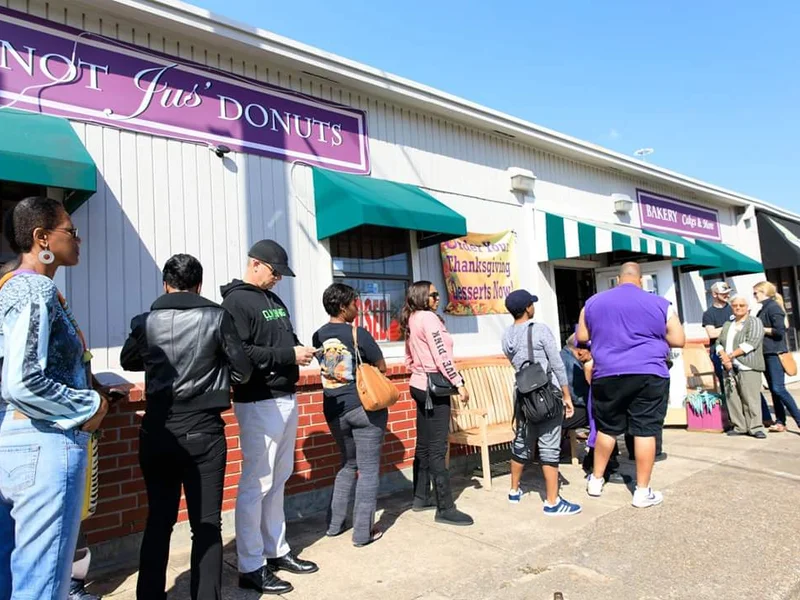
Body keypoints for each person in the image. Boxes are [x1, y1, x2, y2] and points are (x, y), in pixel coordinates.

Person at [120, 254, 253, 600]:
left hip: (157, 430)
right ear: (199, 285)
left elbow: (128, 360)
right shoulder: (217, 317)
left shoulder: (145, 321)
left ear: (166, 284)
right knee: (206, 524)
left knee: (158, 520)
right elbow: (243, 372)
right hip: (203, 431)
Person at [0, 197, 110, 600]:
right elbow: (22, 381)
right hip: (44, 444)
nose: (78, 240)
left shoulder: (10, 288)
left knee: (16, 575)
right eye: (71, 232)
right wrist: (90, 406)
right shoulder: (35, 288)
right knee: (43, 584)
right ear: (41, 237)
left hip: (15, 442)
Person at [221, 240, 318, 596]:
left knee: (279, 479)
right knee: (256, 483)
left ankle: (276, 549)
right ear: (256, 264)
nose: (278, 279)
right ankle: (250, 565)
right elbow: (240, 352)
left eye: (280, 275)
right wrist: (288, 355)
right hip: (258, 401)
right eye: (275, 272)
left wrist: (302, 350)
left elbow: (284, 340)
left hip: (284, 396)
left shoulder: (273, 300)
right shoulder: (235, 302)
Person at [577, 262, 685, 508]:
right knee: (645, 430)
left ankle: (596, 480)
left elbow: (582, 336)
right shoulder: (661, 303)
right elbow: (678, 339)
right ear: (641, 280)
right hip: (649, 371)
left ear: (618, 279)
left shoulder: (593, 303)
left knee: (607, 428)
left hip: (608, 372)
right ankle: (642, 491)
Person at [313, 283, 387, 547]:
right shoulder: (358, 333)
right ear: (344, 307)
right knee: (368, 471)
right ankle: (362, 533)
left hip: (334, 409)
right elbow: (381, 366)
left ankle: (334, 526)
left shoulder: (318, 335)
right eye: (355, 303)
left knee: (348, 464)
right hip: (363, 407)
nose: (358, 307)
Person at [502, 290, 581, 516]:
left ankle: (514, 490)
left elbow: (514, 362)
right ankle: (552, 502)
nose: (533, 307)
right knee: (549, 444)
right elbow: (556, 364)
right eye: (531, 304)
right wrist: (566, 396)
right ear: (527, 308)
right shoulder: (540, 330)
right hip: (546, 395)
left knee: (522, 440)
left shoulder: (506, 335)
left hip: (523, 396)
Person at [402, 280, 473, 526]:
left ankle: (421, 497)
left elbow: (408, 357)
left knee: (423, 443)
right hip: (434, 388)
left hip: (418, 384)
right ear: (422, 296)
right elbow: (442, 355)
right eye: (433, 295)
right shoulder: (429, 319)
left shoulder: (412, 318)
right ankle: (445, 508)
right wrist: (458, 383)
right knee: (437, 447)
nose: (437, 298)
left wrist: (418, 371)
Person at [716, 295, 766, 439]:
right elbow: (719, 342)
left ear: (747, 307)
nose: (738, 308)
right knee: (733, 398)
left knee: (751, 399)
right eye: (735, 305)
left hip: (748, 366)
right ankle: (739, 426)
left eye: (741, 305)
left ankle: (755, 427)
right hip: (728, 366)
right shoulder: (728, 324)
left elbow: (752, 343)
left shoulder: (754, 322)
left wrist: (730, 356)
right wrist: (723, 355)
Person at [754, 281, 800, 433]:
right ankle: (780, 421)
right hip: (766, 353)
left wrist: (762, 329)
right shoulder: (763, 309)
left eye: (756, 293)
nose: (754, 296)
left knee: (778, 388)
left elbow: (780, 331)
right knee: (774, 390)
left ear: (764, 292)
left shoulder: (773, 308)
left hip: (775, 353)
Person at [702, 282, 734, 399]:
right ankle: (728, 407)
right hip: (718, 352)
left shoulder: (734, 308)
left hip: (735, 350)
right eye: (724, 293)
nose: (728, 296)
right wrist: (730, 326)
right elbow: (712, 333)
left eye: (728, 293)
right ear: (715, 294)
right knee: (725, 383)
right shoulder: (709, 314)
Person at [560, 333, 590, 432]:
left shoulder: (562, 354)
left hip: (555, 409)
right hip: (564, 413)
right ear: (580, 350)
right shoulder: (572, 364)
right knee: (600, 413)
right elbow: (576, 397)